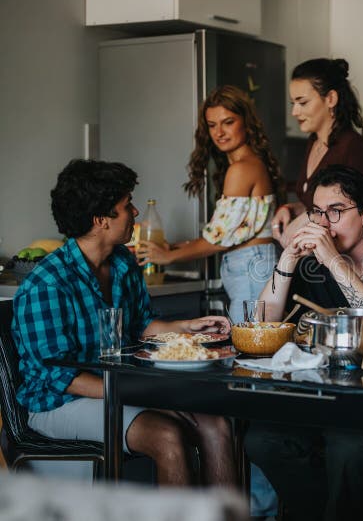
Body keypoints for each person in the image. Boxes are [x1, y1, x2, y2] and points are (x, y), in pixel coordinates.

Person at [12, 159, 236, 487]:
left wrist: (189, 326)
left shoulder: (122, 263)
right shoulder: (46, 283)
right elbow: (59, 376)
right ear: (101, 220)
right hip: (57, 403)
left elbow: (139, 325)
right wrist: (138, 392)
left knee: (216, 423)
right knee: (166, 435)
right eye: (126, 205)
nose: (135, 213)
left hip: (114, 388)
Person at [247, 165, 363, 521]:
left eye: (336, 211)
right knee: (261, 438)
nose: (323, 223)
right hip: (317, 395)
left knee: (348, 448)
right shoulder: (308, 263)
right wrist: (287, 261)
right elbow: (262, 325)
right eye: (316, 212)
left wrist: (333, 261)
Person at [136, 84, 285, 324]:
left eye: (228, 122)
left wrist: (167, 257)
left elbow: (219, 238)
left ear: (245, 122)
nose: (219, 132)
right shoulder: (249, 163)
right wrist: (174, 247)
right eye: (212, 125)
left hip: (251, 267)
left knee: (250, 347)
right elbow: (230, 233)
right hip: (255, 264)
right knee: (255, 345)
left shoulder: (241, 168)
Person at [271, 58, 363, 247]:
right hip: (316, 264)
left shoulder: (353, 147)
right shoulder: (314, 143)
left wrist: (309, 218)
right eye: (293, 103)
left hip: (343, 265)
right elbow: (322, 206)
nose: (295, 112)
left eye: (303, 102)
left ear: (331, 99)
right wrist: (291, 209)